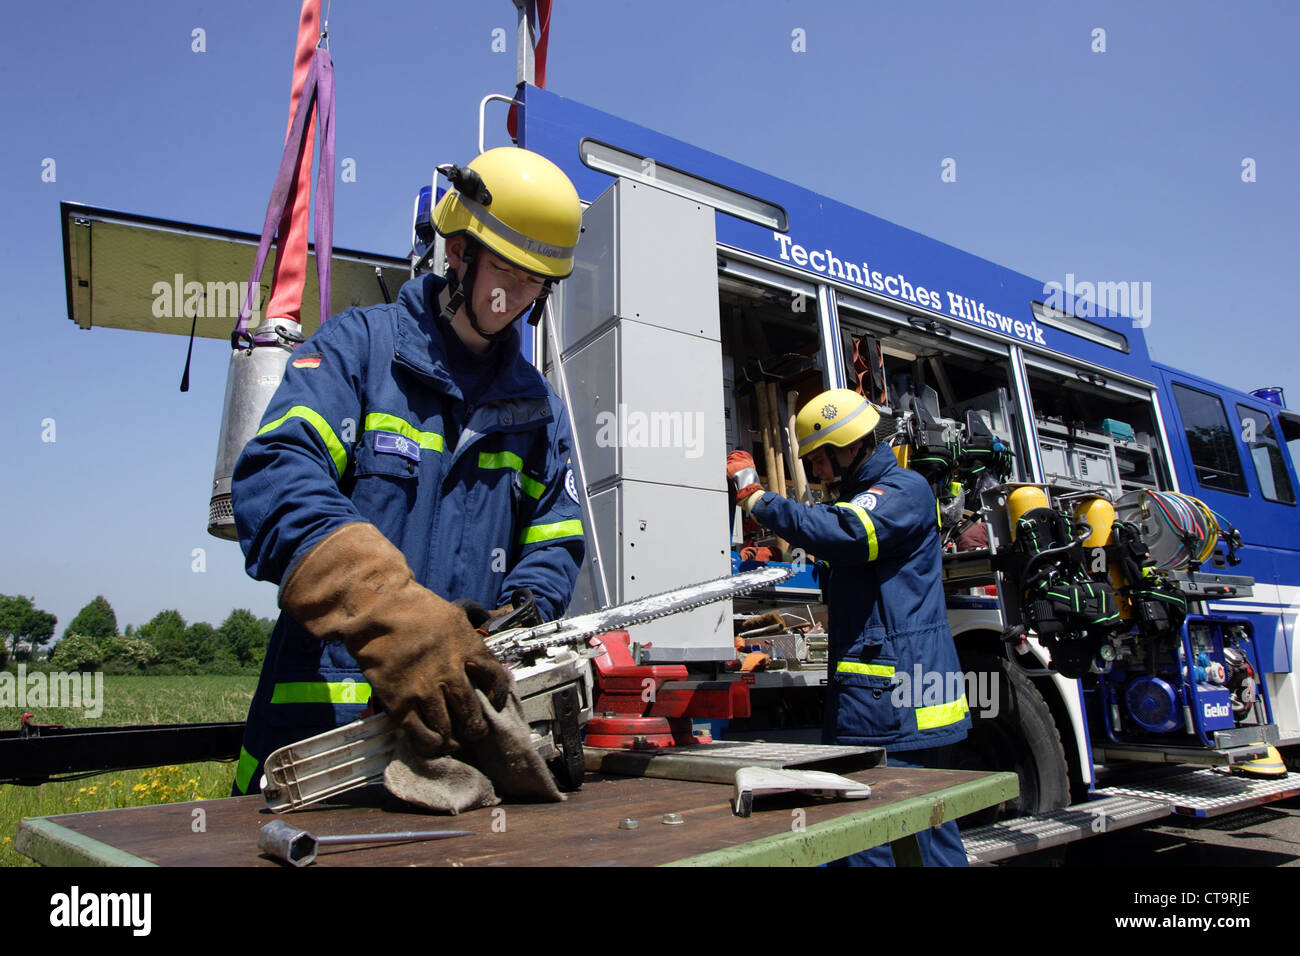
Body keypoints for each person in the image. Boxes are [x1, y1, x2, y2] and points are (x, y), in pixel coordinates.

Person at [229, 147, 586, 795]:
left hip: (455, 754)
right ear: (458, 252)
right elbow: (275, 482)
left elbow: (554, 537)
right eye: (505, 267)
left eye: (536, 280)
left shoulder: (539, 413)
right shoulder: (356, 351)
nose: (515, 296)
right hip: (316, 753)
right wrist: (388, 609)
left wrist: (518, 616)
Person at [726, 388, 971, 865]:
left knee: (872, 841)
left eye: (818, 460)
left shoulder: (902, 490)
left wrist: (757, 497)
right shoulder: (871, 498)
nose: (815, 472)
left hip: (896, 708)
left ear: (848, 446)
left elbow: (848, 533)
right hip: (886, 702)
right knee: (917, 834)